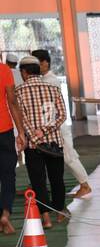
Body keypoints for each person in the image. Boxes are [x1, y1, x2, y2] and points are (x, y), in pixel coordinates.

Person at [30, 49, 90, 200]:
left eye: (36, 64)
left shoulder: (51, 81)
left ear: (45, 63)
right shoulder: (43, 80)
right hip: (50, 126)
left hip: (56, 127)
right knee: (66, 156)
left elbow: (50, 109)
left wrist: (46, 130)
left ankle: (85, 185)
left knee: (69, 156)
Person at [15, 55, 66, 227]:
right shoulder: (53, 89)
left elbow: (22, 120)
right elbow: (61, 115)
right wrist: (44, 131)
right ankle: (59, 212)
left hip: (33, 146)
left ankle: (45, 217)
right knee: (57, 178)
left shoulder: (19, 91)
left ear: (24, 72)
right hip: (54, 143)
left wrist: (35, 137)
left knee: (38, 181)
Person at [0, 48, 26, 235]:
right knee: (8, 174)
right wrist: (21, 132)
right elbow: (12, 102)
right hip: (4, 129)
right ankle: (6, 213)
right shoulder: (4, 71)